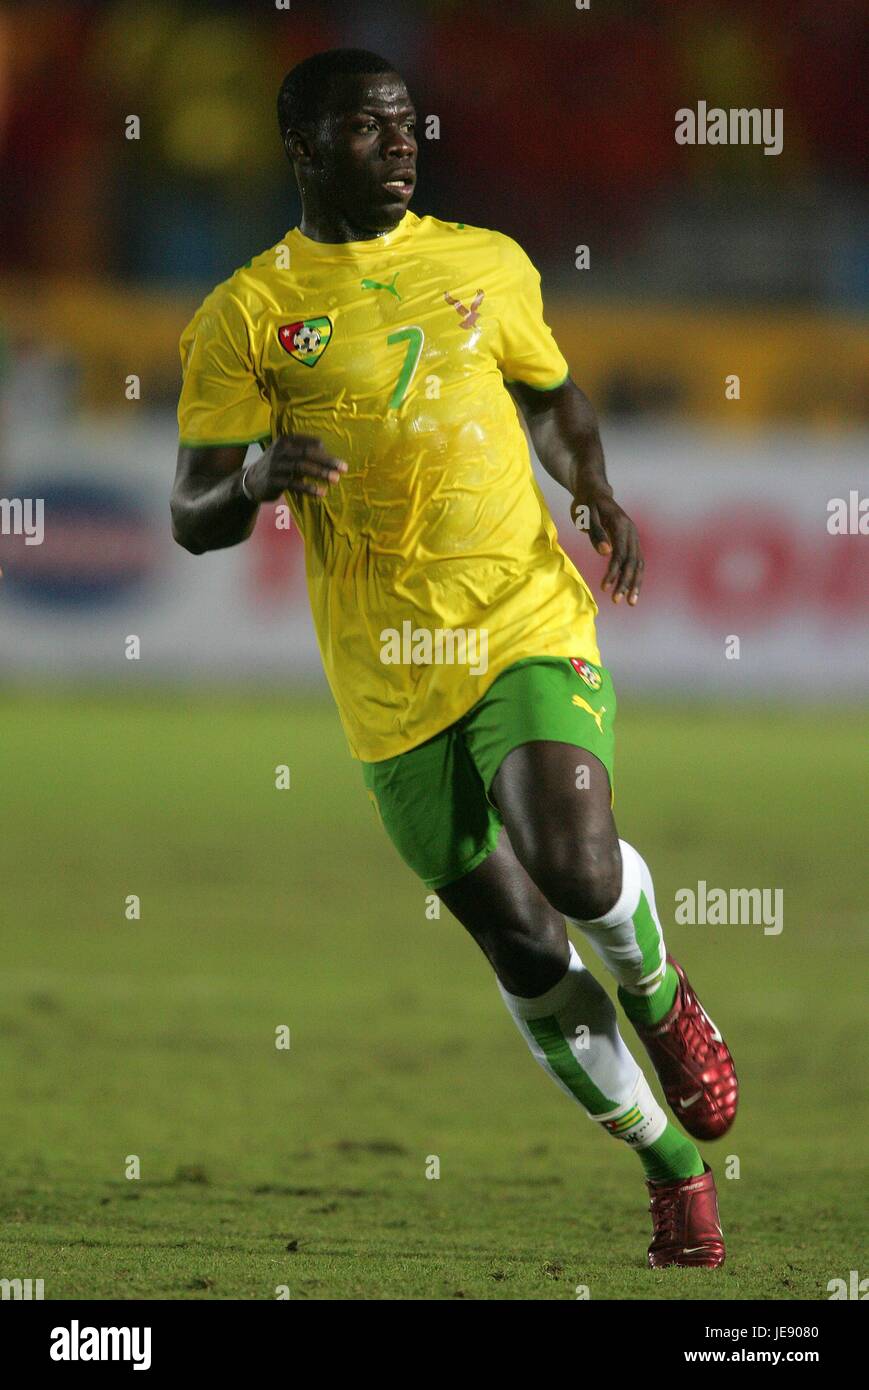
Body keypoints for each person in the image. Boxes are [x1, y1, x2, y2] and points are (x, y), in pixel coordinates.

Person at [171, 48, 738, 1269]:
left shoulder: (485, 262)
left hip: (519, 611)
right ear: (304, 148)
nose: (401, 142)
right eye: (367, 129)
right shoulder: (241, 314)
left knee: (573, 862)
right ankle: (668, 1167)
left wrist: (590, 483)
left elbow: (551, 394)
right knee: (524, 946)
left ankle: (661, 994)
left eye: (405, 124)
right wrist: (255, 480)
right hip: (384, 674)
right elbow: (191, 510)